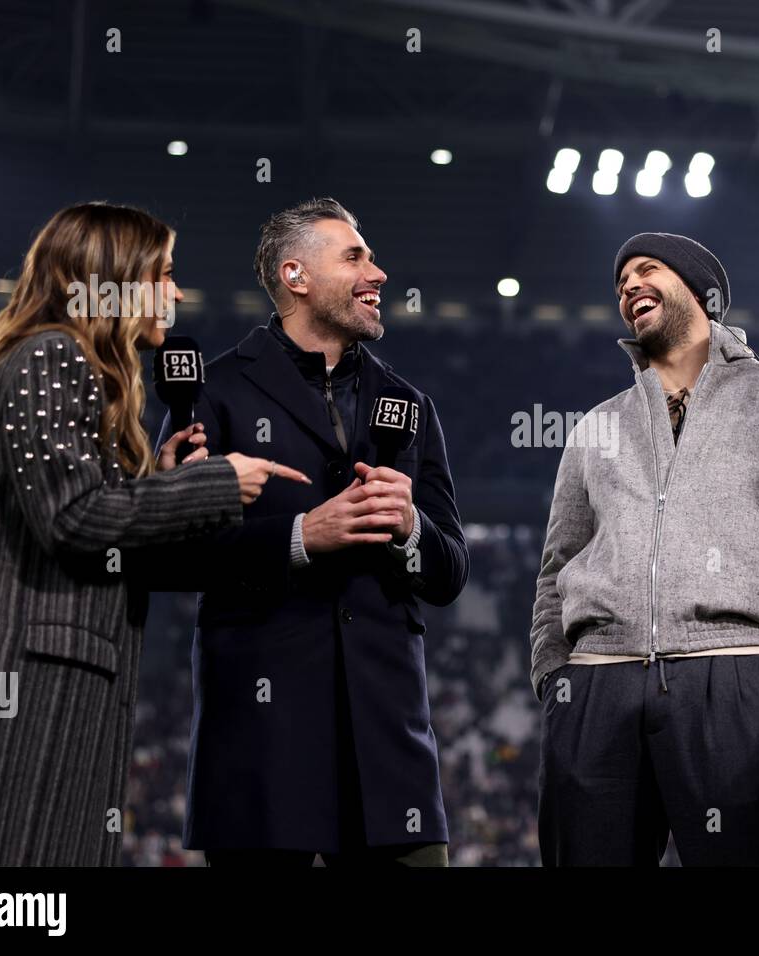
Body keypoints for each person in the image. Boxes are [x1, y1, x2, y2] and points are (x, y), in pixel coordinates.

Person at [0, 201, 305, 865]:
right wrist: (212, 484)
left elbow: (82, 514)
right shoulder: (54, 358)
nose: (177, 292)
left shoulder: (65, 367)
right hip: (19, 698)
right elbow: (74, 519)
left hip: (38, 696)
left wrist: (161, 477)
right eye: (165, 273)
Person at [137, 198, 467, 867]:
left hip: (389, 746)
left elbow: (450, 571)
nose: (378, 272)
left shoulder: (408, 403)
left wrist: (412, 527)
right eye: (356, 257)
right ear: (296, 276)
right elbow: (162, 553)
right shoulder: (215, 391)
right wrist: (297, 537)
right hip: (262, 739)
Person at [532, 232, 759, 865]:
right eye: (621, 281)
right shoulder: (596, 426)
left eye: (647, 270)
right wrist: (554, 675)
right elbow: (557, 565)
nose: (628, 286)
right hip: (596, 686)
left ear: (700, 290)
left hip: (734, 677)